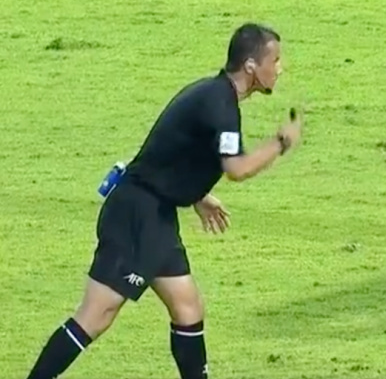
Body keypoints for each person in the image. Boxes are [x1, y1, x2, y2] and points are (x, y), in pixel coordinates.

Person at [25, 23, 303, 379]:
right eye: (275, 60)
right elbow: (236, 168)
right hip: (137, 216)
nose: (280, 68)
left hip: (156, 213)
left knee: (187, 307)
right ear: (251, 66)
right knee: (96, 315)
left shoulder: (213, 94)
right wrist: (279, 143)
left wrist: (198, 195)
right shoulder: (220, 103)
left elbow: (174, 151)